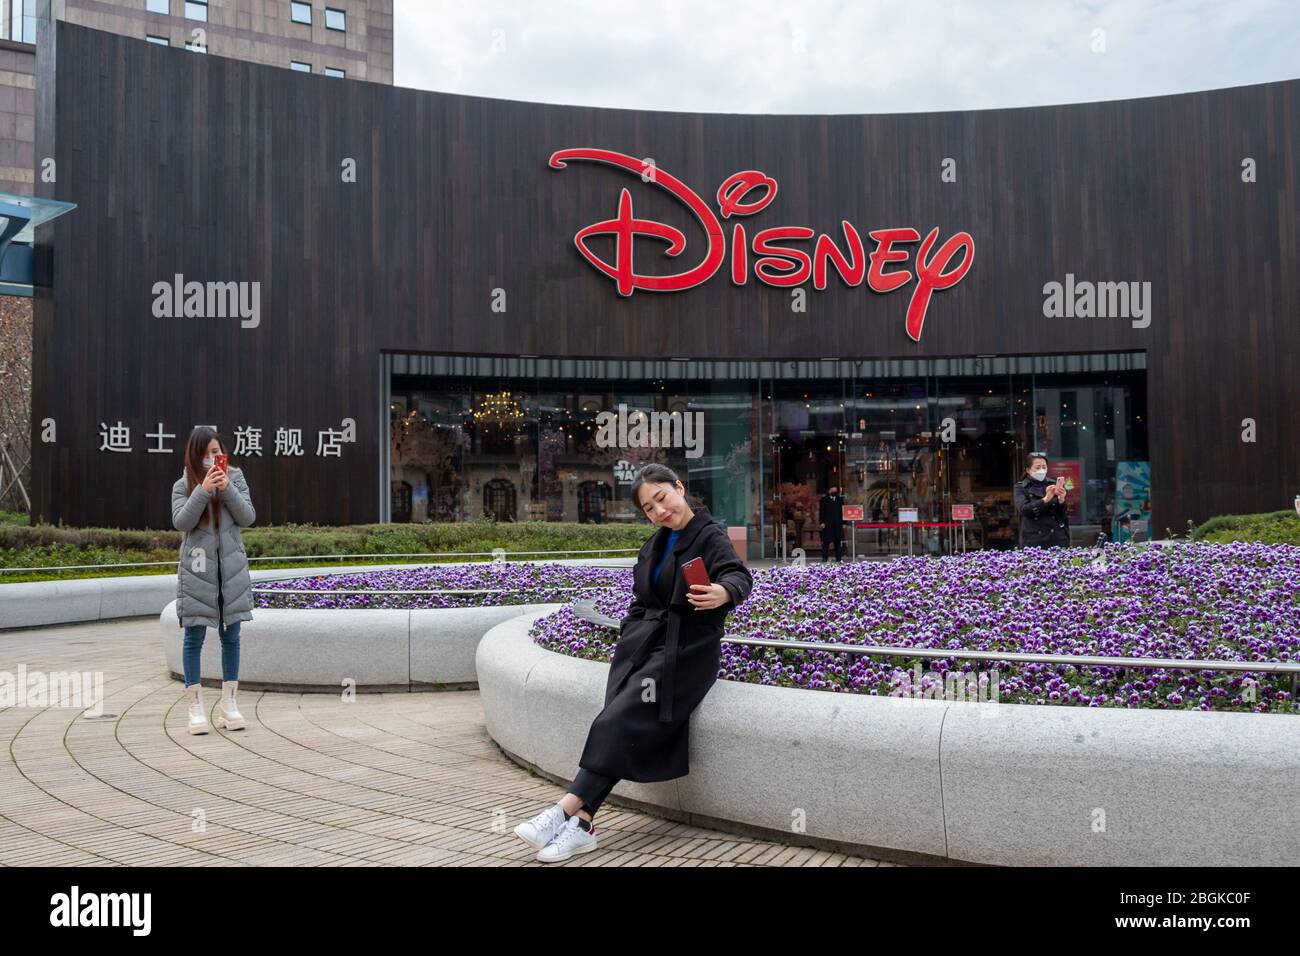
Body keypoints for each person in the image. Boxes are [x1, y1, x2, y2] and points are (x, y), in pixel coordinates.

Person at [513, 463, 754, 863]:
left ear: (679, 488)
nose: (660, 511)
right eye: (649, 508)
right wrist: (631, 632)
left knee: (616, 720)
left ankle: (561, 812)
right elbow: (643, 599)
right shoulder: (656, 545)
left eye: (662, 498)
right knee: (620, 726)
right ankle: (583, 824)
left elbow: (739, 575)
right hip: (642, 647)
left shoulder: (710, 536)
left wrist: (724, 593)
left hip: (687, 653)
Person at [171, 426, 257, 735]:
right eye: (207, 453)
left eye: (217, 453)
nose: (213, 458)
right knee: (193, 638)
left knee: (231, 637)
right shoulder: (183, 485)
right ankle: (195, 708)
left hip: (231, 573)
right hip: (197, 573)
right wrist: (203, 489)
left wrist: (227, 488)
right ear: (195, 455)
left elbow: (248, 516)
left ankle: (229, 705)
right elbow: (181, 521)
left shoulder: (236, 479)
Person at [1014, 453, 1069, 548]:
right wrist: (1045, 499)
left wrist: (1061, 499)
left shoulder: (1053, 484)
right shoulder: (1021, 487)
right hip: (1034, 538)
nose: (1041, 471)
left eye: (1044, 467)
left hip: (1057, 537)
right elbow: (1024, 510)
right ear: (1028, 470)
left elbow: (1062, 513)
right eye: (1038, 467)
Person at [819, 484, 845, 562]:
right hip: (827, 523)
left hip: (837, 523)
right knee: (826, 541)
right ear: (829, 491)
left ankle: (838, 558)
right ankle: (824, 557)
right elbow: (821, 511)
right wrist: (822, 522)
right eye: (832, 490)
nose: (834, 492)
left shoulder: (840, 499)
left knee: (837, 541)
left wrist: (844, 523)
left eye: (835, 491)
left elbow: (842, 512)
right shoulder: (824, 499)